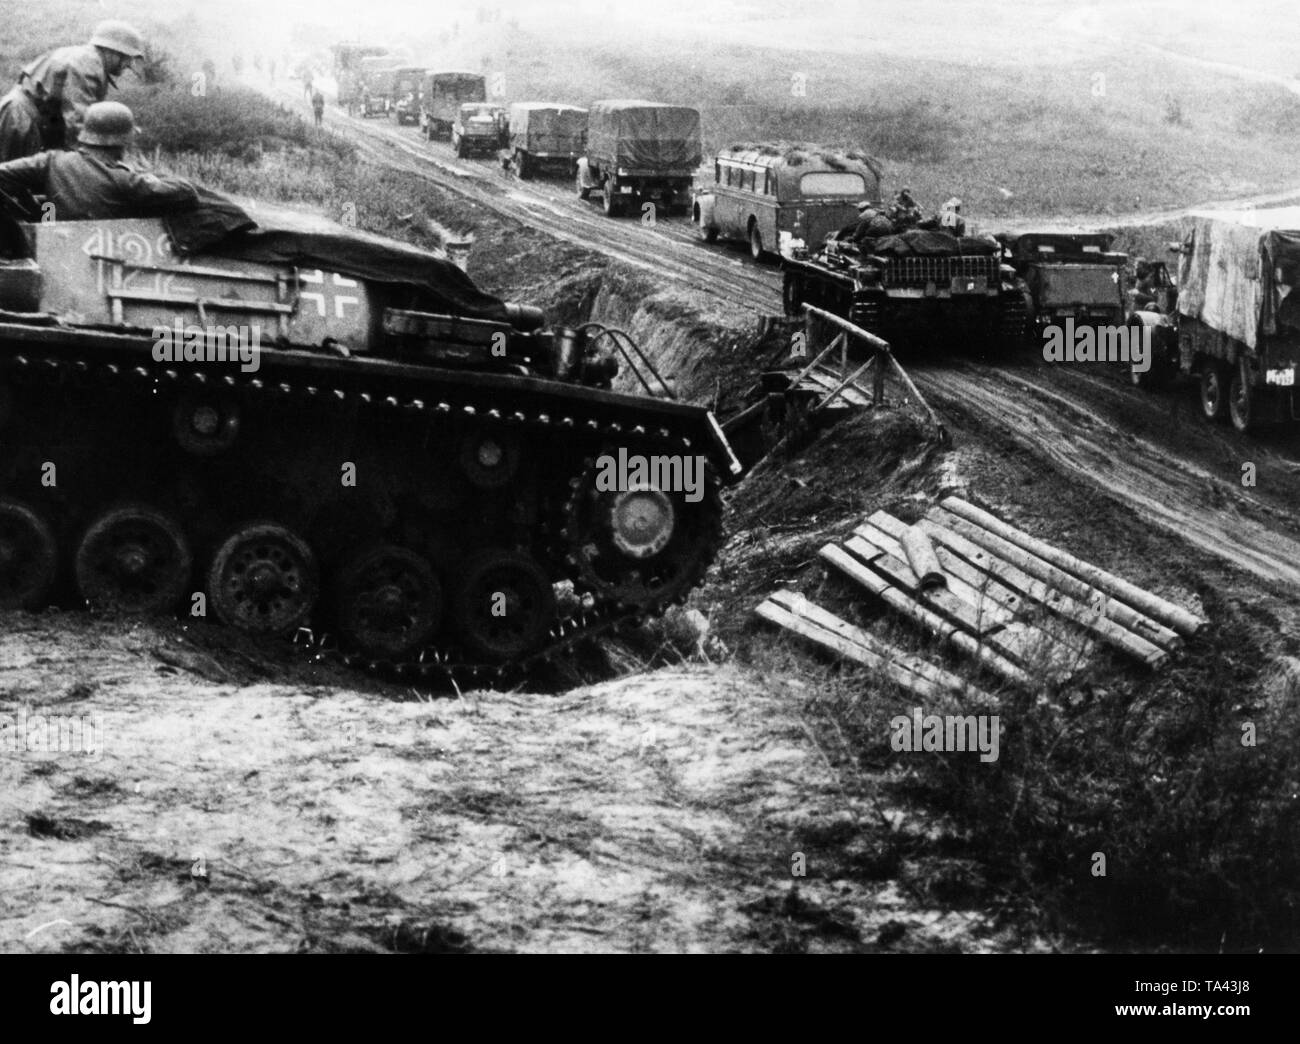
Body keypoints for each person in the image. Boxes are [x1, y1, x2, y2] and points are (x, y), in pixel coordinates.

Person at [0, 101, 199, 221]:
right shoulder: (123, 179)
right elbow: (188, 192)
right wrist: (150, 175)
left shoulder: (51, 161)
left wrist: (33, 204)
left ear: (86, 135)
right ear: (123, 142)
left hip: (53, 243)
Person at [0, 20, 146, 162]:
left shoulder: (81, 56)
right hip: (23, 122)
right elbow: (79, 122)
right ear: (113, 51)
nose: (128, 65)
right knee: (13, 182)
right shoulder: (88, 66)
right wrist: (87, 166)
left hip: (17, 115)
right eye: (127, 57)